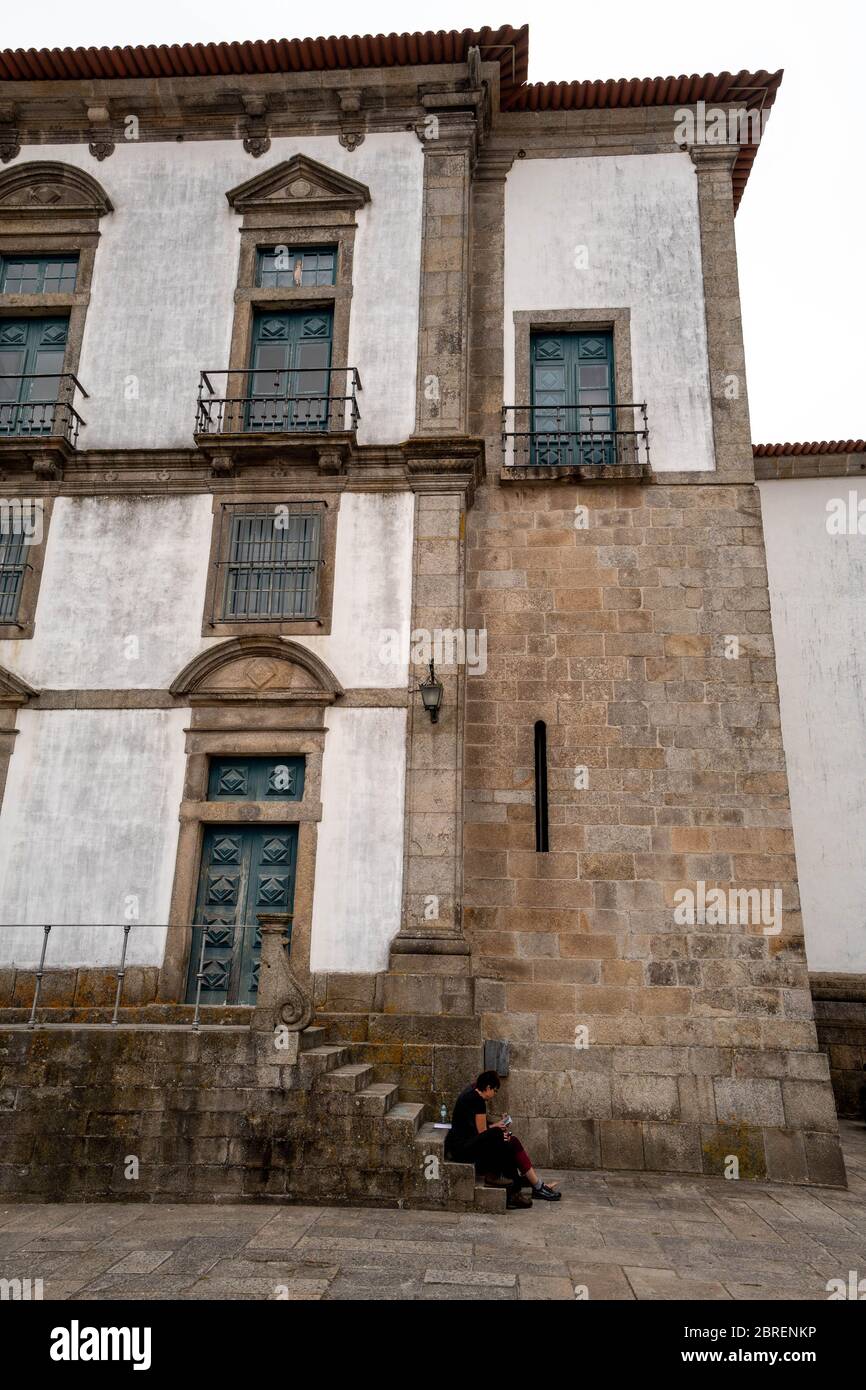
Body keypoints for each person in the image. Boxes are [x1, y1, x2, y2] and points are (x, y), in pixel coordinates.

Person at [443, 1070, 561, 1209]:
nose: (494, 1094)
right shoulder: (477, 1100)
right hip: (462, 1150)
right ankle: (525, 1186)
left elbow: (478, 1131)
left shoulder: (472, 1092)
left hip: (464, 1145)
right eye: (495, 1090)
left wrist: (497, 1126)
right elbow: (482, 1133)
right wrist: (498, 1129)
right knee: (504, 1140)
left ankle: (532, 1186)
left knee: (509, 1141)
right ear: (487, 1088)